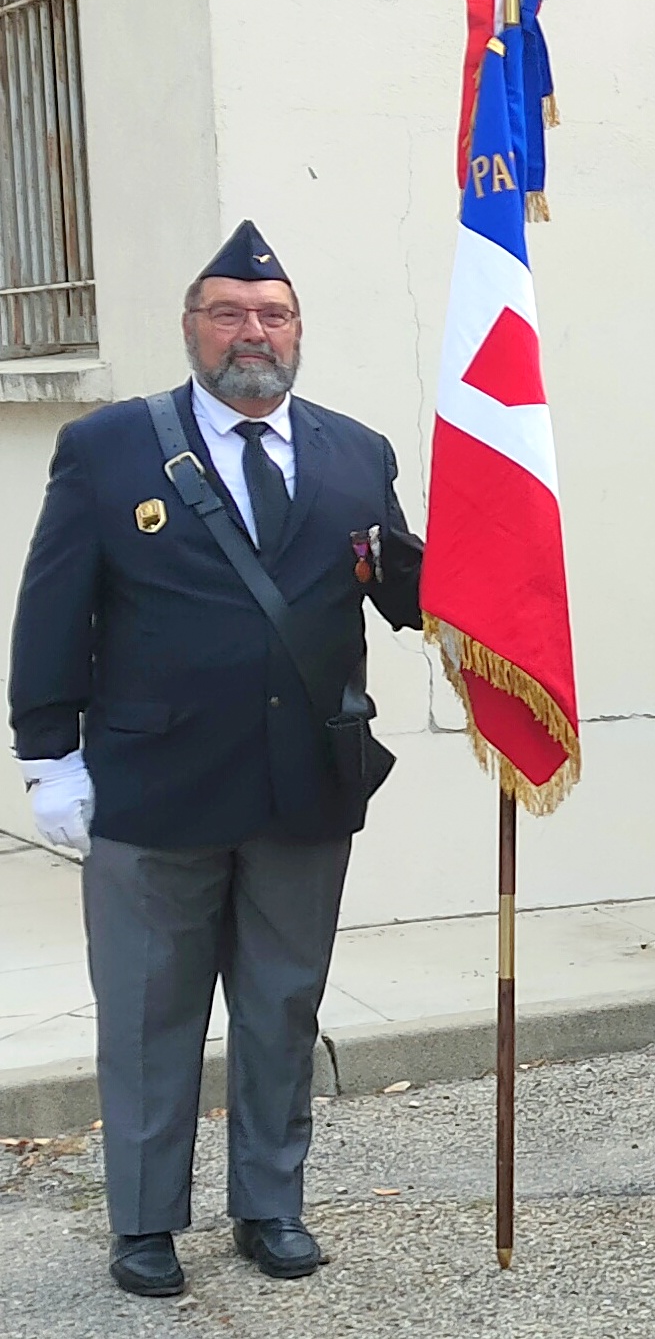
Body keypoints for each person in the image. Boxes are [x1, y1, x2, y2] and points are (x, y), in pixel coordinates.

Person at [9, 221, 424, 1297]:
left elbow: (406, 596)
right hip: (156, 785)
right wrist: (48, 754)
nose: (253, 332)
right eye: (229, 312)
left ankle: (268, 1204)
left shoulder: (356, 451)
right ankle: (145, 1222)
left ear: (298, 332)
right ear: (192, 328)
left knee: (283, 1003)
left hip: (303, 786)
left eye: (273, 314)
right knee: (150, 1011)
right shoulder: (111, 446)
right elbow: (53, 606)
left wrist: (478, 554)